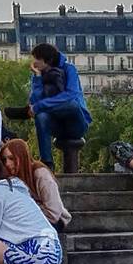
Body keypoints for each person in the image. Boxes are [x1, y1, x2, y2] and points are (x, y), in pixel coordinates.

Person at [27, 43, 91, 171]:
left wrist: (40, 106)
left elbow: (71, 94)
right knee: (41, 117)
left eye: (37, 59)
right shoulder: (40, 75)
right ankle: (47, 162)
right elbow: (34, 101)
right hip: (56, 125)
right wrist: (37, 77)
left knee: (71, 105)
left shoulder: (69, 69)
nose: (34, 62)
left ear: (47, 60)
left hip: (76, 123)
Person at [2, 138, 72, 231]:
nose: (7, 163)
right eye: (4, 159)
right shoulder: (11, 179)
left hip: (52, 221)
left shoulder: (41, 174)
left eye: (12, 158)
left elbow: (54, 213)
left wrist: (26, 208)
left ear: (22, 157)